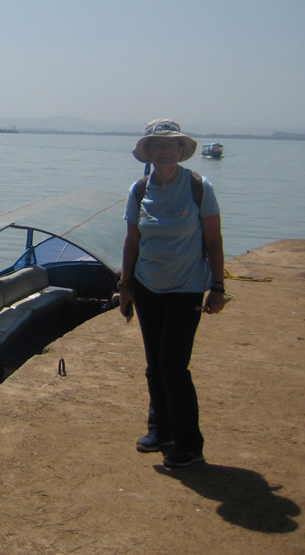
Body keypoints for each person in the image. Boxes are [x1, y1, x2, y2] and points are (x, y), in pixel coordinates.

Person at [118, 119, 225, 468]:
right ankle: (160, 430)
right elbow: (132, 241)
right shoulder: (139, 190)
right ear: (148, 152)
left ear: (180, 150)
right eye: (158, 145)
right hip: (148, 286)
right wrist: (125, 284)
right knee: (154, 365)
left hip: (187, 287)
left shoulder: (198, 186)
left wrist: (218, 287)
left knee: (173, 365)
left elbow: (213, 240)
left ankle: (190, 443)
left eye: (171, 144)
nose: (165, 150)